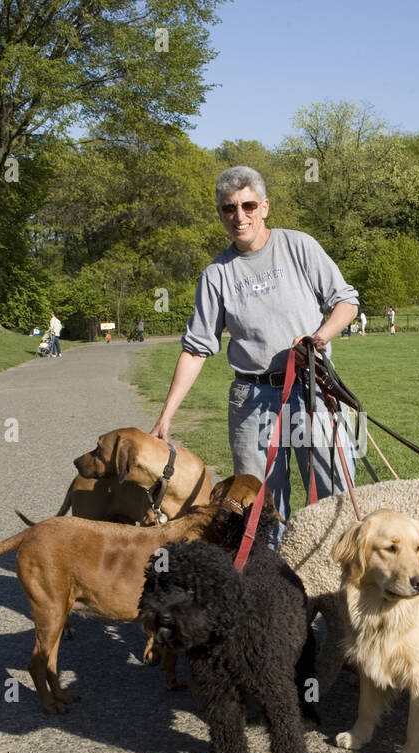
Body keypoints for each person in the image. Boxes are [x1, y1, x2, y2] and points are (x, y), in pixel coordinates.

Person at [149, 165, 358, 527]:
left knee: (336, 495)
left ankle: (335, 579)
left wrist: (320, 336)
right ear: (221, 214)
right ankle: (272, 580)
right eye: (229, 208)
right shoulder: (216, 275)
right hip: (253, 398)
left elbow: (346, 302)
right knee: (260, 507)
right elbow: (197, 348)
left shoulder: (299, 246)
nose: (239, 216)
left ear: (264, 207)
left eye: (248, 206)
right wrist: (166, 416)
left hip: (313, 388)